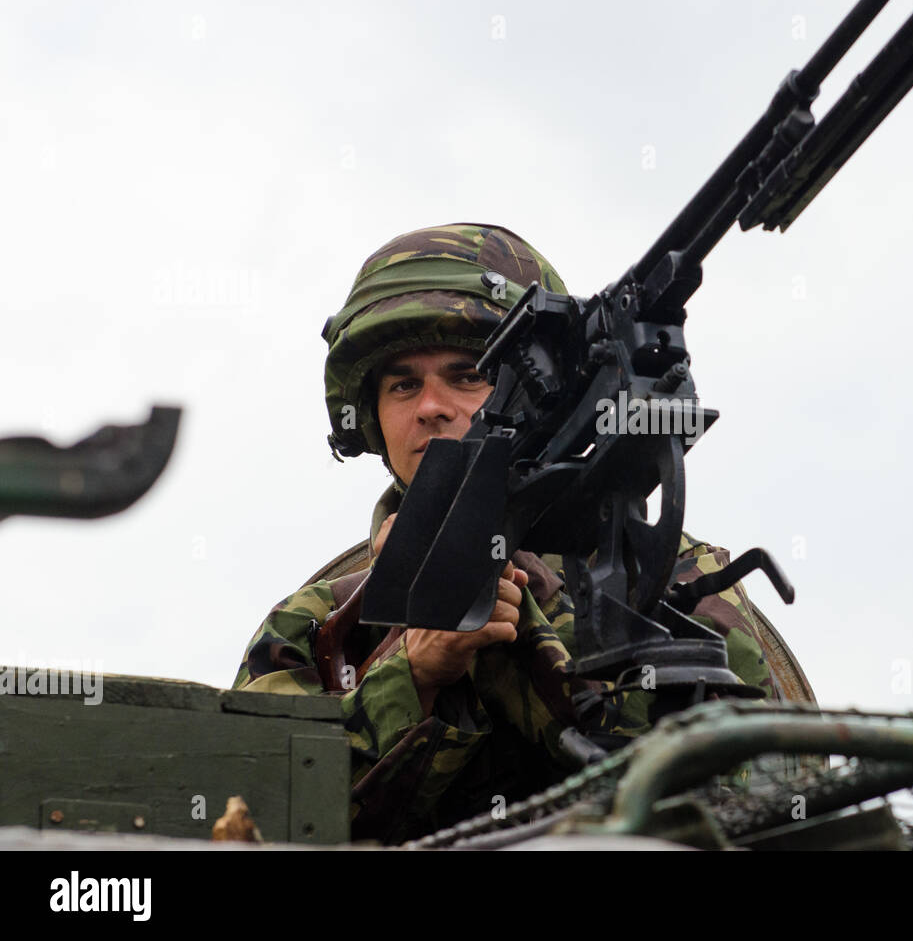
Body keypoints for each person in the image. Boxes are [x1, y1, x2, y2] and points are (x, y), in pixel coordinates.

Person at [232, 223, 780, 843]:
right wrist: (412, 674)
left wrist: (538, 609)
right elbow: (253, 819)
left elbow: (767, 801)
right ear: (372, 418)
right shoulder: (309, 627)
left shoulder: (672, 579)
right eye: (403, 384)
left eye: (467, 375)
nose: (431, 406)